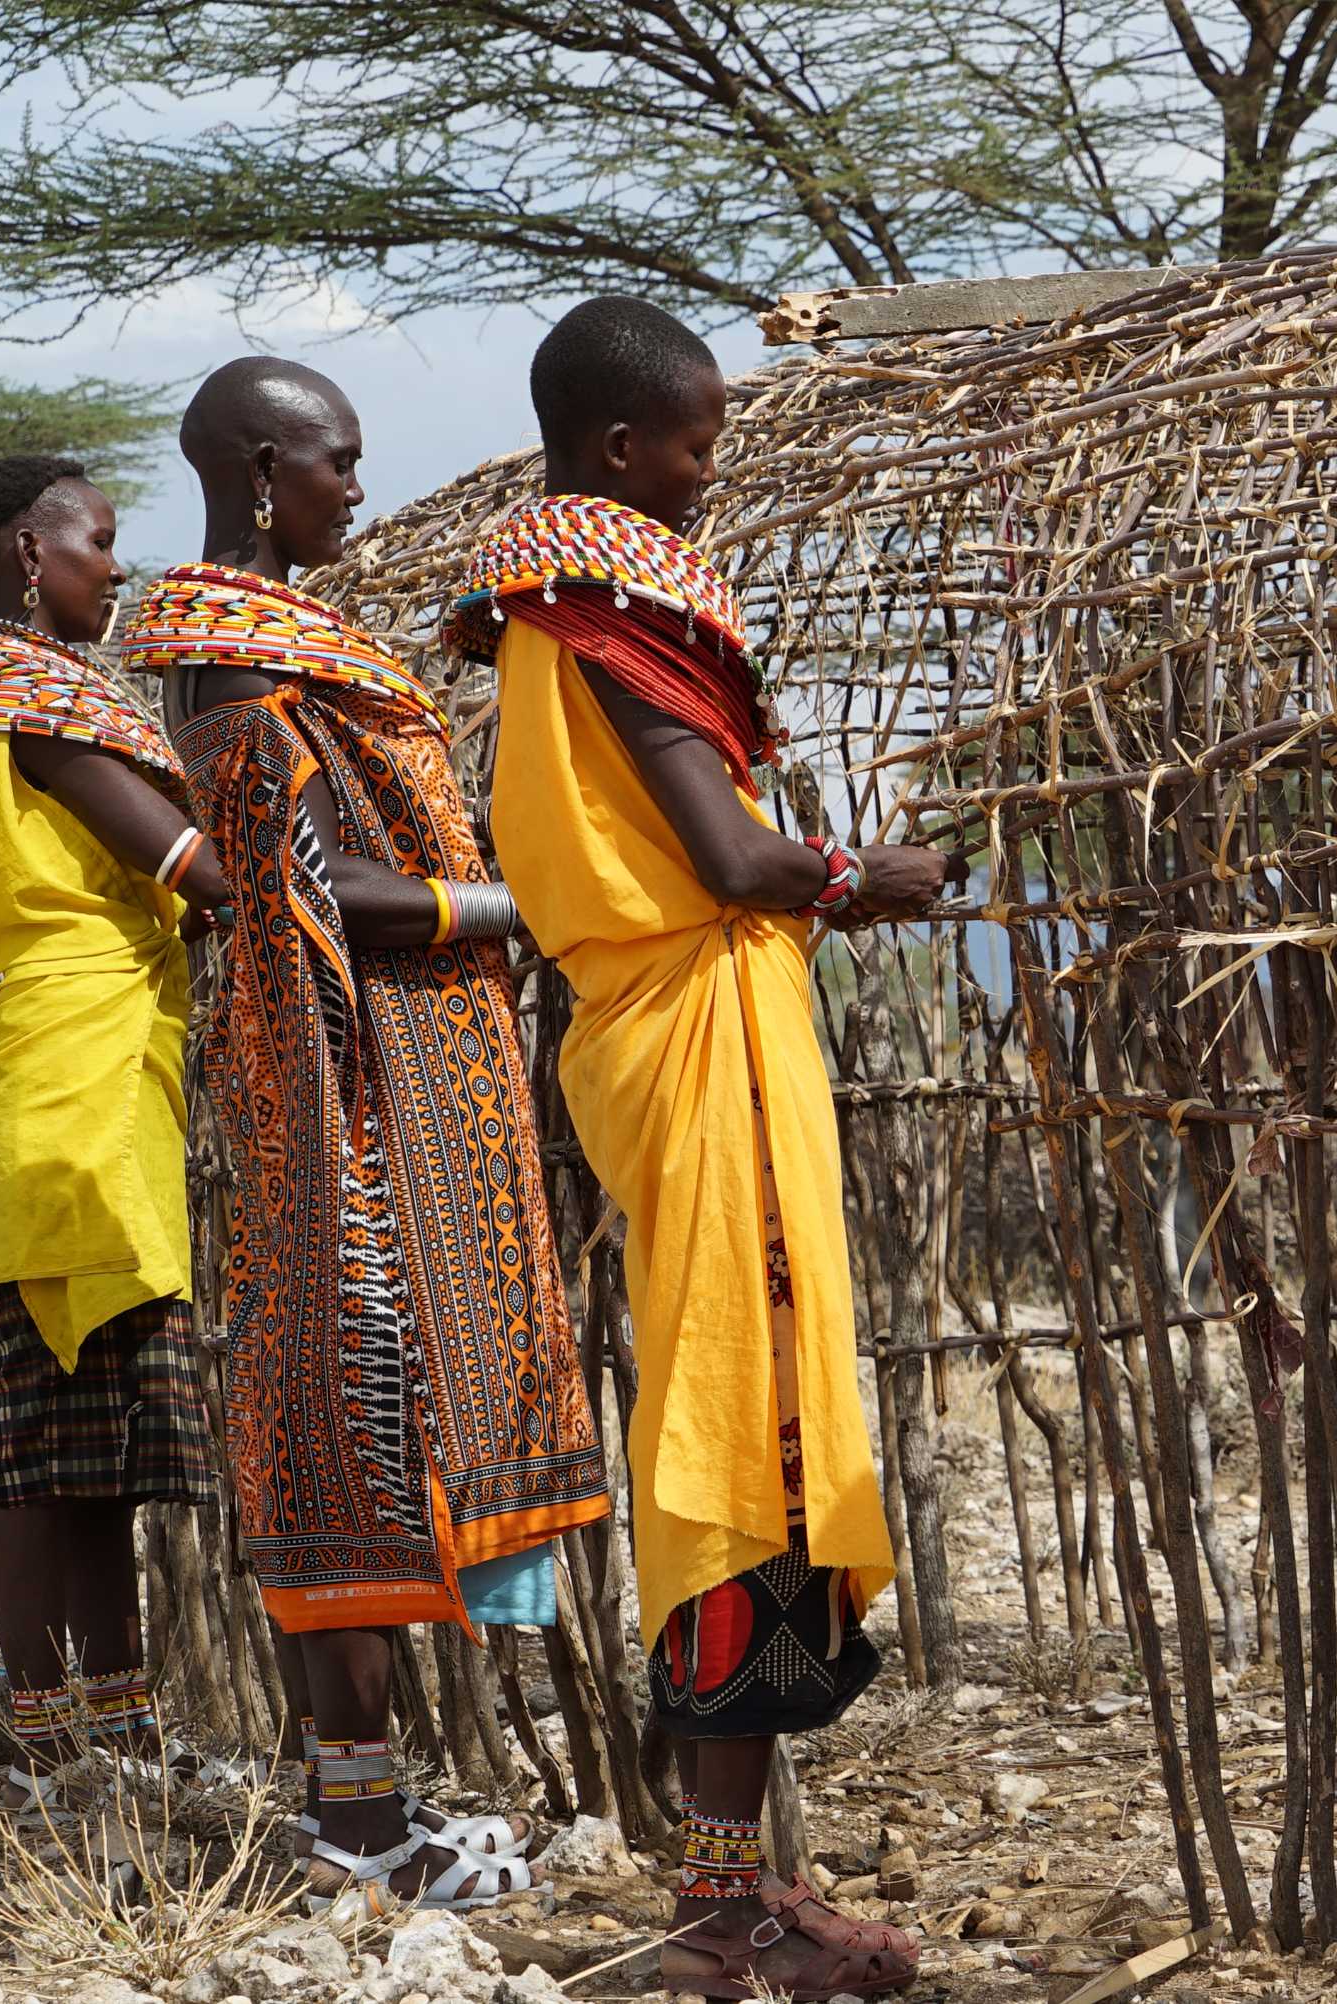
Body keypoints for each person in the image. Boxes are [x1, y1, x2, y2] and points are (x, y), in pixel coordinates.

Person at [449, 296, 950, 2000]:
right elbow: (733, 862)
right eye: (697, 445)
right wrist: (863, 878)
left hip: (667, 1034)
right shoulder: (608, 603)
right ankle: (722, 1909)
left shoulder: (553, 613)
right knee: (746, 1440)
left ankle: (742, 1883)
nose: (709, 476)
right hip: (694, 1031)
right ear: (619, 448)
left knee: (761, 1423)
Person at [120, 359, 609, 1915]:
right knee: (354, 1436)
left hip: (392, 1087)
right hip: (346, 1110)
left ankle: (366, 1819)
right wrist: (517, 908)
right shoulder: (231, 665)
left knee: (375, 1439)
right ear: (264, 467)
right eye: (335, 462)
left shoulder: (282, 648)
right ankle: (361, 1830)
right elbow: (305, 897)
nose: (354, 487)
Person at [0, 455, 235, 1809]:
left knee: (97, 1442)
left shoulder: (33, 691)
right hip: (69, 1081)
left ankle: (116, 1730)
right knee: (46, 1442)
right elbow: (199, 872)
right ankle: (56, 1740)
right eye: (100, 542)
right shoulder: (26, 695)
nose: (119, 565)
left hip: (95, 1069)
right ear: (28, 552)